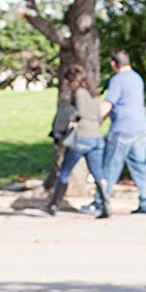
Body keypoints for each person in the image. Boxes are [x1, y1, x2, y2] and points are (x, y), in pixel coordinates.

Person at [88, 48, 146, 218]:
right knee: (140, 165)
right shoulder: (137, 78)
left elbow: (108, 103)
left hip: (122, 128)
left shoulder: (117, 79)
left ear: (113, 64)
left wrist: (94, 122)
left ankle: (100, 202)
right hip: (140, 128)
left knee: (110, 166)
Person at [45, 72, 101, 212]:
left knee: (65, 171)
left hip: (82, 136)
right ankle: (106, 204)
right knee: (98, 173)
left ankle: (54, 203)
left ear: (73, 81)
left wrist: (67, 119)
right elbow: (99, 116)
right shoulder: (94, 95)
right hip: (96, 137)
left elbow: (80, 112)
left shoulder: (80, 92)